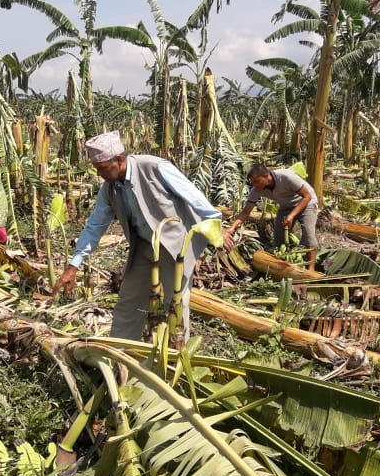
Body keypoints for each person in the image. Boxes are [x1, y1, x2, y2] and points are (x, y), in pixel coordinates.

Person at [52, 131, 221, 341]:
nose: (100, 174)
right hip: (143, 246)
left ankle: (176, 361)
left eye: (103, 168)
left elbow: (194, 197)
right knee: (128, 302)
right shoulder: (109, 189)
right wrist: (73, 266)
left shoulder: (154, 167)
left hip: (174, 247)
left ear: (119, 160)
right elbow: (95, 226)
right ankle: (120, 356)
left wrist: (216, 226)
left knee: (175, 303)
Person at [223, 164, 319, 260]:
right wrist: (232, 228)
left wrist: (292, 215)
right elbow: (246, 212)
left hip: (307, 203)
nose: (254, 185)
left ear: (266, 176)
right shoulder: (256, 190)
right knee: (278, 238)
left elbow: (307, 196)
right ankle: (283, 261)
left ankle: (312, 268)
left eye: (257, 181)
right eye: (253, 183)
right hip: (286, 206)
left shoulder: (286, 177)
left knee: (308, 234)